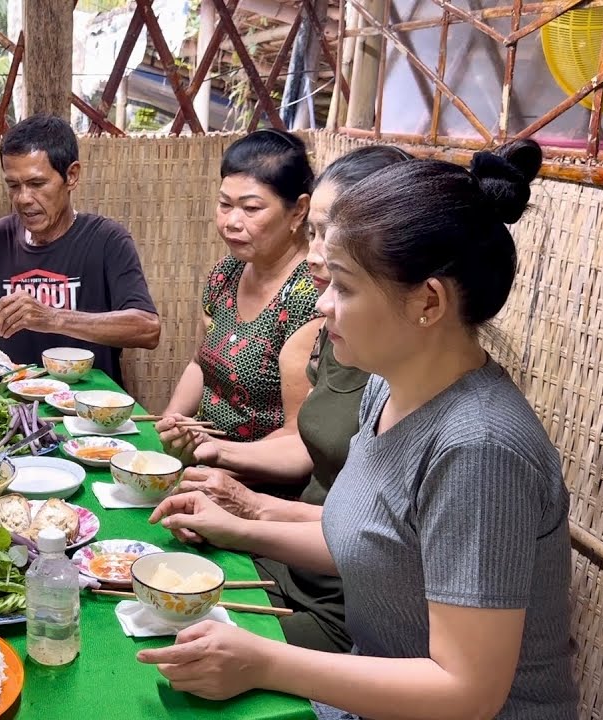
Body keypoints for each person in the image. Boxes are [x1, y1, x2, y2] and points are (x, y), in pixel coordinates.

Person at [139, 141, 579, 719]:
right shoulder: (385, 388)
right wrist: (238, 526)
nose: (322, 305)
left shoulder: (479, 449)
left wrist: (265, 661)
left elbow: (466, 692)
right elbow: (369, 543)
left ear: (428, 302)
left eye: (343, 287)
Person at [156, 145, 414, 654]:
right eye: (316, 235)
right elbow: (355, 524)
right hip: (297, 569)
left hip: (347, 612)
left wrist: (245, 503)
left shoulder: (463, 427)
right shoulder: (359, 351)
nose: (315, 259)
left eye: (330, 237)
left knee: (172, 638)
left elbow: (377, 546)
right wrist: (244, 512)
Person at [0, 114, 160, 388]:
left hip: (85, 402)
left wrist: (53, 317)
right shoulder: (0, 237)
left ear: (71, 176)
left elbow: (147, 328)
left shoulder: (107, 240)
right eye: (13, 185)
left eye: (37, 184)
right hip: (11, 397)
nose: (23, 198)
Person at [162, 129, 321, 441]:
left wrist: (220, 455)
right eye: (225, 204)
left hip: (258, 467)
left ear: (299, 210)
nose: (231, 222)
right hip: (200, 453)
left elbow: (296, 437)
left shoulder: (309, 297)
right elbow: (198, 365)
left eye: (251, 209)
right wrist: (169, 424)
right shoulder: (226, 272)